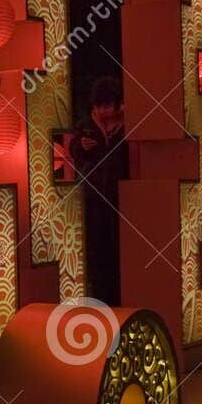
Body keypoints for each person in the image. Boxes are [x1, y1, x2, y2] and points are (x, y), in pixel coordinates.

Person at [71, 76, 127, 306]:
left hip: (119, 195)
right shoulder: (87, 124)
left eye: (107, 106)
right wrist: (80, 147)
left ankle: (116, 296)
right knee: (95, 249)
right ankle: (98, 296)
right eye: (99, 106)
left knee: (117, 247)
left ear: (116, 104)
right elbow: (73, 149)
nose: (103, 111)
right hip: (93, 195)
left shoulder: (127, 125)